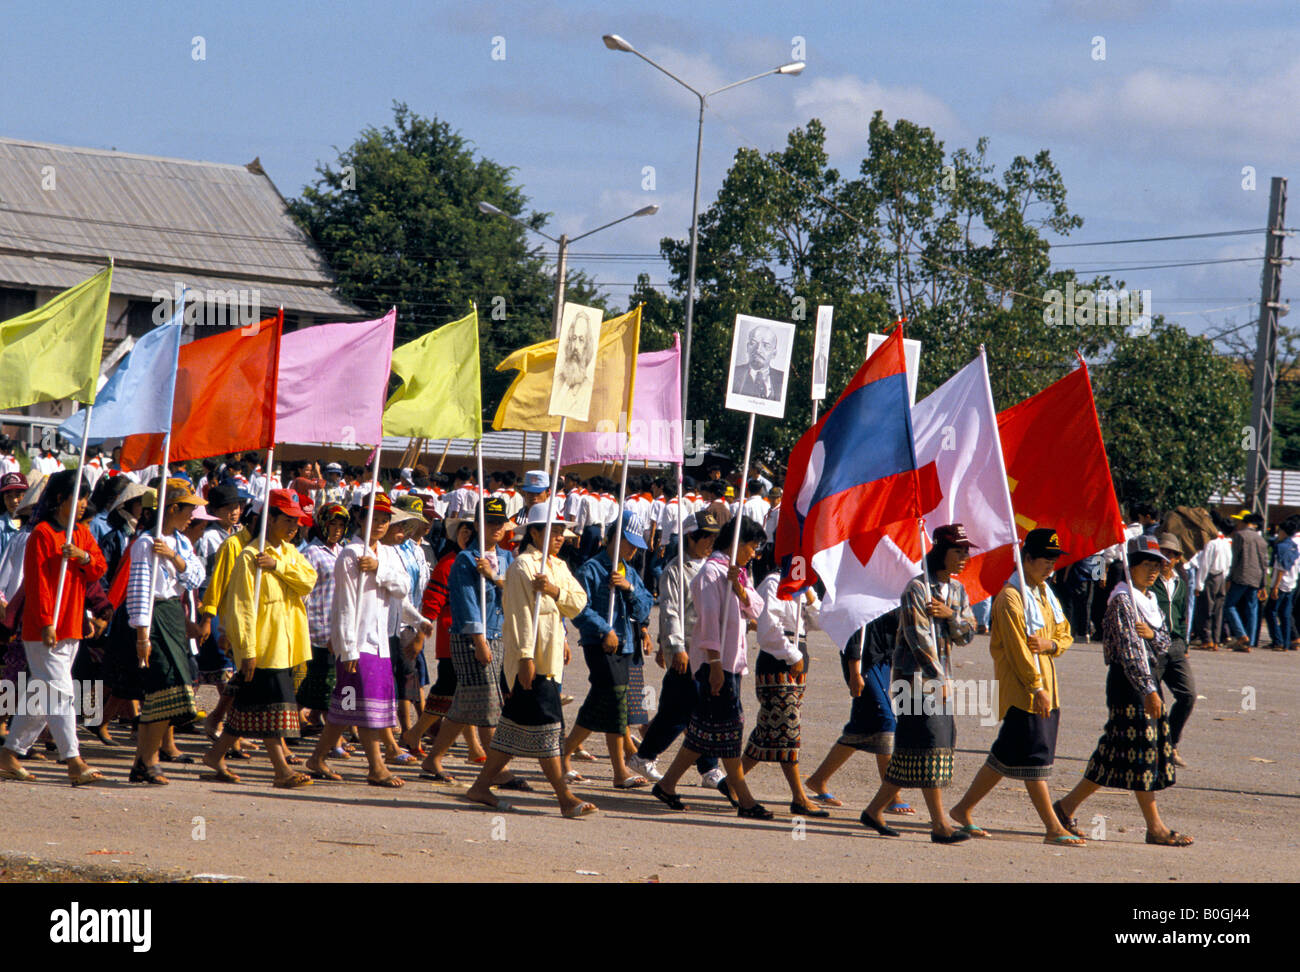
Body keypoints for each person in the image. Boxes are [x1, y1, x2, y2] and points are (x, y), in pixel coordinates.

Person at [1054, 535, 1192, 847]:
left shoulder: (1149, 601)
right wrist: (1148, 690)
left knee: (1113, 755)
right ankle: (1155, 827)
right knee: (1142, 753)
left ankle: (1064, 808)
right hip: (1130, 687)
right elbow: (1131, 654)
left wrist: (1153, 634)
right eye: (1147, 564)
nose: (1154, 570)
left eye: (1157, 564)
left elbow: (1164, 644)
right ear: (1131, 567)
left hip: (1146, 683)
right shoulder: (1122, 600)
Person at [950, 528, 1084, 845]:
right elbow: (1018, 650)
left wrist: (1050, 644)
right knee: (1035, 758)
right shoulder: (1011, 597)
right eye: (1046, 559)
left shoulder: (1044, 594)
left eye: (1055, 559)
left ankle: (961, 810)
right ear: (1027, 558)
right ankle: (1053, 827)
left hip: (1046, 687)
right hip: (1026, 691)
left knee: (1006, 754)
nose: (1052, 565)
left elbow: (1065, 634)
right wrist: (1036, 686)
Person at [464, 504, 595, 816]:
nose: (560, 537)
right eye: (554, 531)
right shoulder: (523, 565)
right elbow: (521, 615)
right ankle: (565, 797)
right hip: (531, 661)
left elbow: (578, 603)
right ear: (535, 533)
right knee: (549, 728)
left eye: (563, 531)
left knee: (511, 729)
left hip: (550, 661)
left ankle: (481, 786)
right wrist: (525, 656)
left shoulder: (558, 567)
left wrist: (553, 590)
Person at [306, 494, 433, 786]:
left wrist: (378, 569)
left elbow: (403, 587)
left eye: (385, 519)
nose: (379, 524)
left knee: (346, 706)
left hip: (381, 641)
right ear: (362, 518)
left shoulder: (387, 554)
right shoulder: (350, 553)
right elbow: (345, 604)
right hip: (357, 643)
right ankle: (376, 766)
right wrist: (348, 648)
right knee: (364, 705)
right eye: (374, 517)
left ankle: (317, 757)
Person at [861, 524, 976, 843]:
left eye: (967, 551)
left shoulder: (957, 591)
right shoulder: (916, 589)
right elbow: (917, 639)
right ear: (941, 551)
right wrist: (938, 678)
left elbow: (968, 633)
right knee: (930, 745)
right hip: (915, 682)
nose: (965, 557)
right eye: (959, 551)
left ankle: (872, 811)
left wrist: (951, 615)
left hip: (941, 682)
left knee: (913, 750)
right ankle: (940, 824)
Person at [649, 516, 770, 818]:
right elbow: (707, 626)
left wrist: (741, 589)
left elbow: (758, 610)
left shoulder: (736, 573)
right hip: (715, 665)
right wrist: (714, 664)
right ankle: (744, 798)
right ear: (738, 543)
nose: (754, 554)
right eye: (752, 547)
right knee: (730, 730)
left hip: (732, 663)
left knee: (705, 732)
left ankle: (666, 785)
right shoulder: (709, 574)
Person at [202, 490, 318, 788]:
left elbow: (309, 580)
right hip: (264, 647)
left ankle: (215, 755)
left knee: (250, 706)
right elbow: (241, 607)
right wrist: (248, 649)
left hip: (287, 644)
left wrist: (278, 567)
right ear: (271, 519)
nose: (295, 526)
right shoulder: (249, 556)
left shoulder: (289, 553)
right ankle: (281, 769)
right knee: (273, 708)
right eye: (288, 519)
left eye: (298, 521)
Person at [0, 470, 108, 785]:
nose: (85, 504)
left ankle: (9, 754)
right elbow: (38, 584)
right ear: (60, 499)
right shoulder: (42, 534)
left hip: (72, 624)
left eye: (86, 498)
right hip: (44, 627)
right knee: (61, 692)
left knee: (44, 693)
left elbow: (99, 568)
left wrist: (83, 556)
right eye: (79, 497)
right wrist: (47, 621)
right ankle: (73, 759)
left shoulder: (81, 534)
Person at [420, 497, 521, 786]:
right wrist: (479, 640)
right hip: (471, 638)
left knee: (464, 704)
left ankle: (432, 758)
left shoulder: (504, 557)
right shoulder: (466, 558)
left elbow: (511, 595)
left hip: (498, 634)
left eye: (500, 522)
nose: (497, 527)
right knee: (490, 702)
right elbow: (466, 602)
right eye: (490, 521)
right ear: (477, 524)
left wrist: (494, 578)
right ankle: (497, 769)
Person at [627, 511, 724, 787]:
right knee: (679, 712)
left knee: (698, 710)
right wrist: (674, 647)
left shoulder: (712, 566)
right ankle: (645, 756)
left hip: (708, 651)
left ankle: (707, 767)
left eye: (714, 537)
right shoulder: (675, 570)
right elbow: (670, 612)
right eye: (706, 537)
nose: (710, 542)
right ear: (691, 538)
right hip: (687, 651)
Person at [730, 555, 829, 817]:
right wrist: (792, 655)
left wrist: (809, 597)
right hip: (779, 661)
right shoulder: (773, 583)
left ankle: (731, 781)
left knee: (770, 731)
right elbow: (767, 627)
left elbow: (821, 622)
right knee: (788, 730)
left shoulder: (804, 587)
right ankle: (798, 796)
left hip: (799, 658)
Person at [561, 510, 654, 789]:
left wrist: (629, 589)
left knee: (602, 701)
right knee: (616, 703)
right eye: (629, 542)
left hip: (627, 644)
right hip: (600, 644)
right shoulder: (590, 569)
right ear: (613, 537)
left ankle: (563, 754)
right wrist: (605, 629)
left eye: (637, 545)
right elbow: (578, 609)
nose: (634, 549)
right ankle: (619, 770)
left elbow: (646, 605)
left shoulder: (630, 572)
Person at [126, 479, 208, 784]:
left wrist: (174, 557)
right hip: (155, 615)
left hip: (173, 612)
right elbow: (140, 590)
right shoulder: (146, 543)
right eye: (188, 510)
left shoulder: (181, 543)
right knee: (165, 688)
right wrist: (142, 635)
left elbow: (196, 576)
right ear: (172, 509)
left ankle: (143, 761)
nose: (191, 517)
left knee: (170, 691)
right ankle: (148, 759)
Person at [803, 613, 911, 814]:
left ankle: (818, 780)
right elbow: (852, 627)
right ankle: (891, 794)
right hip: (862, 662)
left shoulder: (897, 590)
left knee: (861, 726)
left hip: (885, 661)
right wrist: (854, 672)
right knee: (886, 721)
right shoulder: (864, 586)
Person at [296, 503, 350, 726]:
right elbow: (303, 591)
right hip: (317, 626)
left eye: (341, 525)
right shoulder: (311, 553)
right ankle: (301, 721)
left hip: (336, 622)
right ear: (322, 525)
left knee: (329, 680)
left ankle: (318, 719)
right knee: (317, 679)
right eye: (332, 524)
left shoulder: (343, 550)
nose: (337, 529)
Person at [1152, 532, 1197, 767]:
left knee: (1188, 696)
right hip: (1152, 647)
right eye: (1163, 553)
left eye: (1171, 554)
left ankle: (1171, 743)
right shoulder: (1148, 580)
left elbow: (1182, 613)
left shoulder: (1181, 580)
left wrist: (1184, 643)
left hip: (1176, 645)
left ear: (1179, 558)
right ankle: (1159, 746)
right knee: (1154, 701)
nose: (1166, 558)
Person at [1222, 512, 1267, 651]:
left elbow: (1235, 559)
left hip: (1241, 576)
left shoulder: (1240, 536)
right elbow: (1264, 563)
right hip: (1256, 578)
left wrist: (1229, 577)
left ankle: (1241, 635)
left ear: (1244, 523)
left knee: (1229, 605)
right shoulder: (1261, 540)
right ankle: (1250, 641)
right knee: (1252, 609)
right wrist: (1263, 584)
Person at [1192, 518, 1231, 649]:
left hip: (1211, 577)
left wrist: (1199, 585)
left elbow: (1205, 565)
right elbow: (1228, 564)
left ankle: (1207, 639)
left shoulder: (1211, 543)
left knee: (1206, 610)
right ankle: (1216, 639)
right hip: (1221, 577)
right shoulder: (1225, 542)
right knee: (1218, 611)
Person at [731, 324, 784, 401]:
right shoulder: (733, 373)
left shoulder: (782, 379)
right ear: (747, 347)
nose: (758, 350)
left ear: (774, 354)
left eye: (766, 345)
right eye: (753, 343)